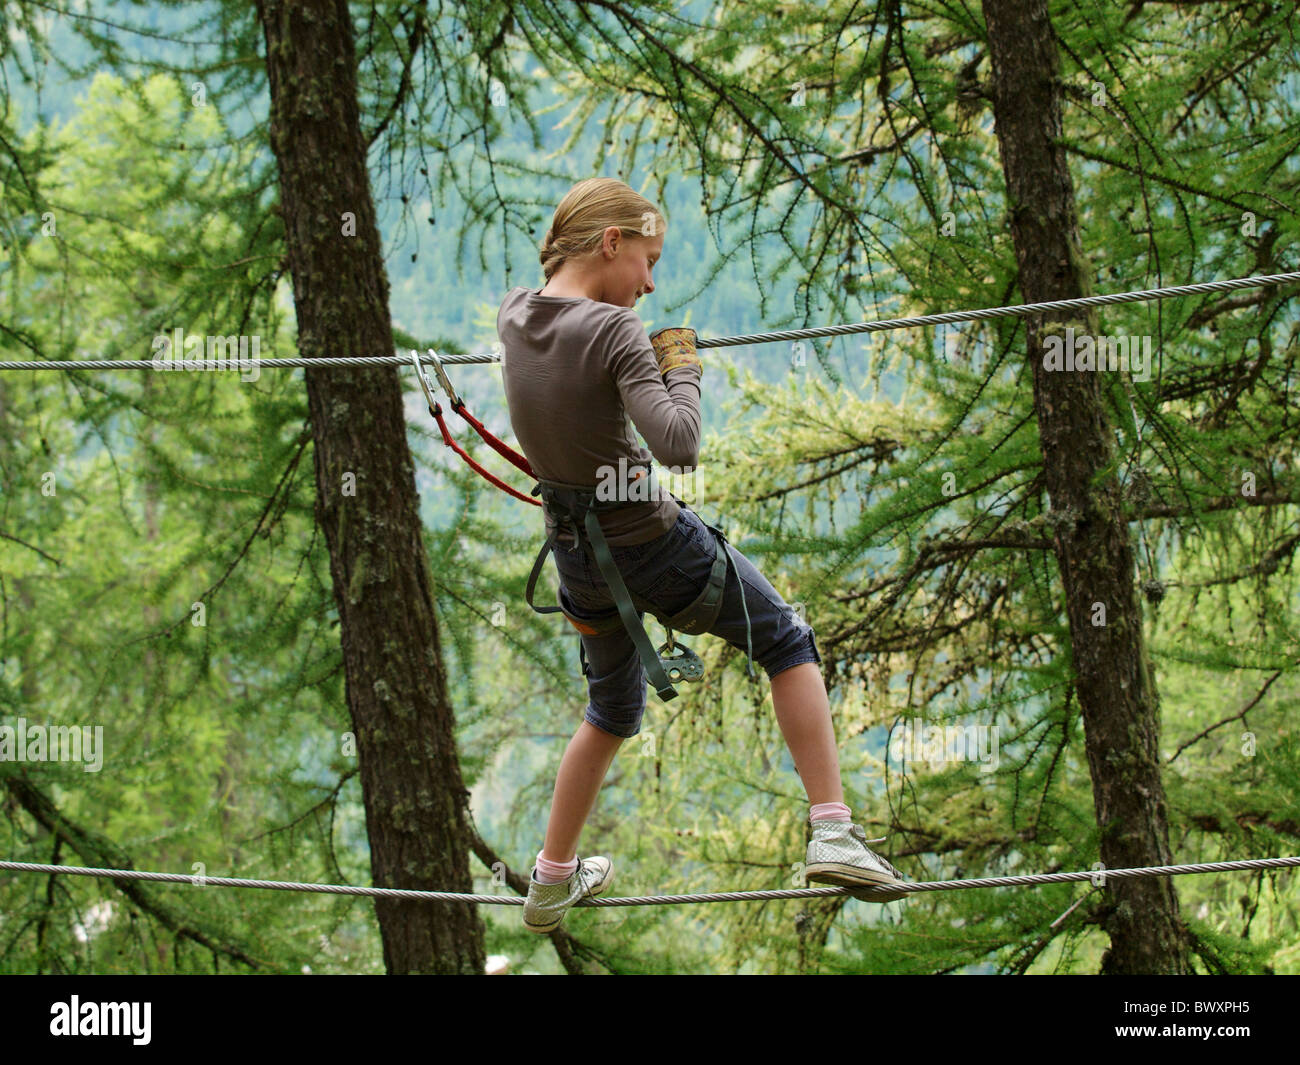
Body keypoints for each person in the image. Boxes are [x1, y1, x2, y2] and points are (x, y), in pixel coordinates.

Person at [497, 176, 907, 934]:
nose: (650, 283)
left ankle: (551, 880)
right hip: (652, 545)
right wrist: (678, 363)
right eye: (647, 261)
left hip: (576, 562)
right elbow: (679, 445)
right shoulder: (618, 332)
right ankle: (834, 831)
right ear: (611, 243)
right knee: (786, 638)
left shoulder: (515, 313)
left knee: (610, 709)